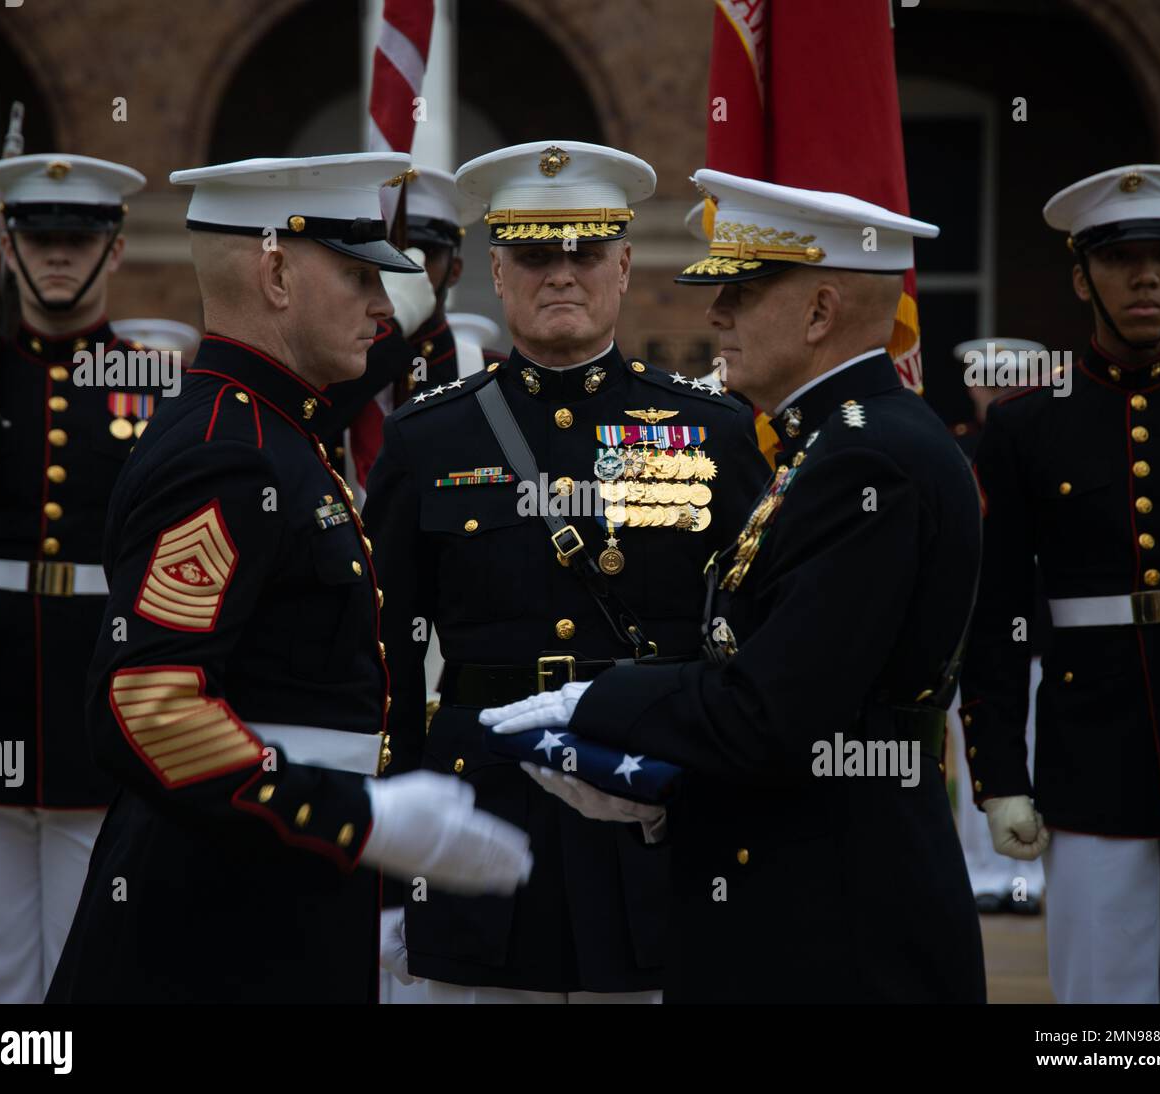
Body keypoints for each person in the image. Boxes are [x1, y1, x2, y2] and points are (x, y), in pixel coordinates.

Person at [482, 169, 988, 1004]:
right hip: (802, 882)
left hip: (836, 919)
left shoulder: (866, 458)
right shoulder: (835, 444)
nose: (714, 316)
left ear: (821, 312)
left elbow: (772, 711)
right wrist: (665, 784)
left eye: (741, 293)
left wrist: (598, 704)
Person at [45, 152, 531, 1004]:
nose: (385, 310)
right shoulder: (230, 454)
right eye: (357, 277)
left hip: (275, 885)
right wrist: (359, 817)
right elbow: (147, 702)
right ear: (274, 271)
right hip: (219, 921)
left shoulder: (273, 432)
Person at [362, 140, 765, 1003]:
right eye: (537, 254)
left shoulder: (712, 430)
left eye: (585, 251)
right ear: (497, 274)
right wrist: (396, 871)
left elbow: (752, 639)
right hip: (484, 815)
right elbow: (383, 651)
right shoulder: (428, 440)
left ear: (624, 266)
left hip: (651, 809)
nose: (562, 274)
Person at [958, 164, 1160, 1003]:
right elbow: (995, 612)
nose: (1145, 276)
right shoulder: (1032, 423)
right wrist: (1000, 772)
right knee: (1104, 1005)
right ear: (1082, 276)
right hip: (1092, 754)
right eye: (1119, 258)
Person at [0, 153, 159, 1003]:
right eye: (39, 236)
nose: (58, 254)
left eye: (78, 236)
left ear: (115, 251)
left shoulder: (158, 387)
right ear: (5, 249)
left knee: (93, 975)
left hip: (102, 728)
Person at [945, 338, 1047, 915]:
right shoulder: (957, 449)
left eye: (1010, 375)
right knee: (977, 755)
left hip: (1037, 628)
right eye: (990, 376)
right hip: (977, 631)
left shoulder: (1044, 444)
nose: (998, 386)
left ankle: (1028, 876)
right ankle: (983, 871)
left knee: (1031, 750)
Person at [347, 165, 487, 487]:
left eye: (428, 252)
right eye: (393, 252)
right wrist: (392, 326)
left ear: (455, 270)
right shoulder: (329, 372)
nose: (412, 266)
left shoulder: (486, 374)